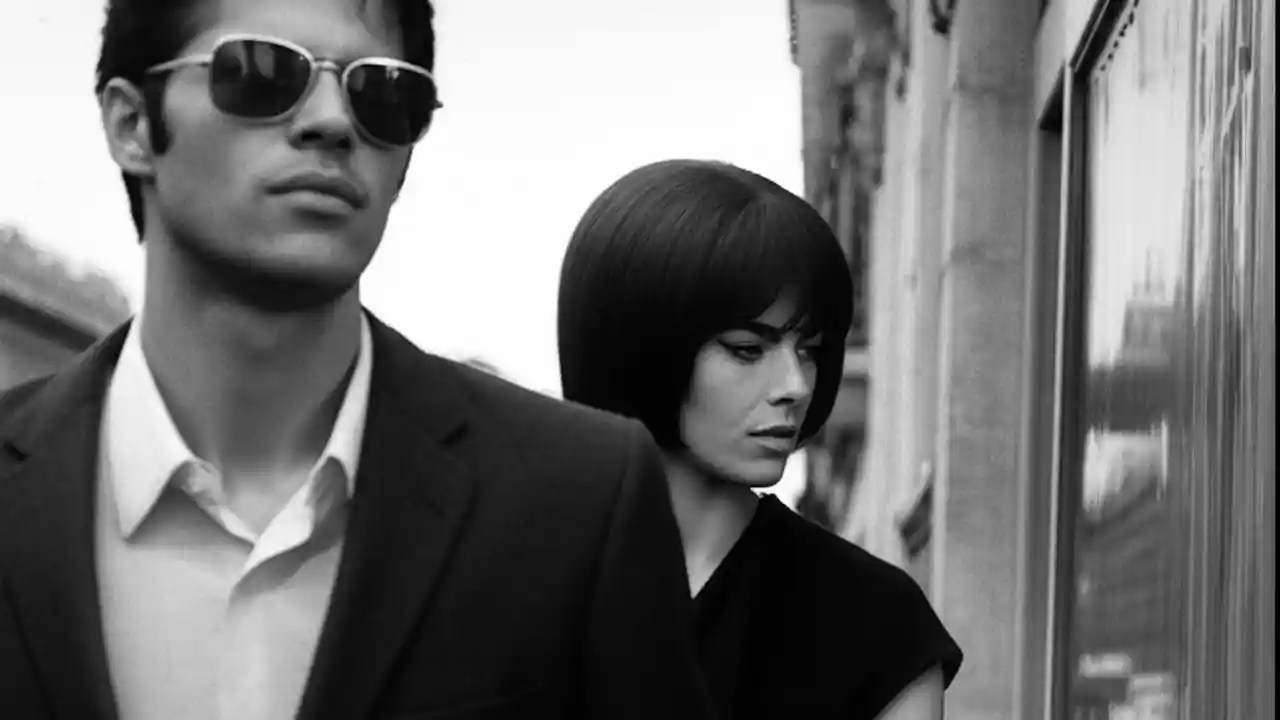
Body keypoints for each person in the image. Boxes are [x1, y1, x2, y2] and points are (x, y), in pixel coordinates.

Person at [0, 2, 713, 718]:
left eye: (383, 93)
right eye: (262, 72)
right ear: (130, 125)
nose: (334, 121)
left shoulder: (580, 504)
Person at [558, 159, 964, 719]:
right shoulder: (515, 581)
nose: (795, 386)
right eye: (748, 349)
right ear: (639, 343)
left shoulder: (872, 623)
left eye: (810, 349)